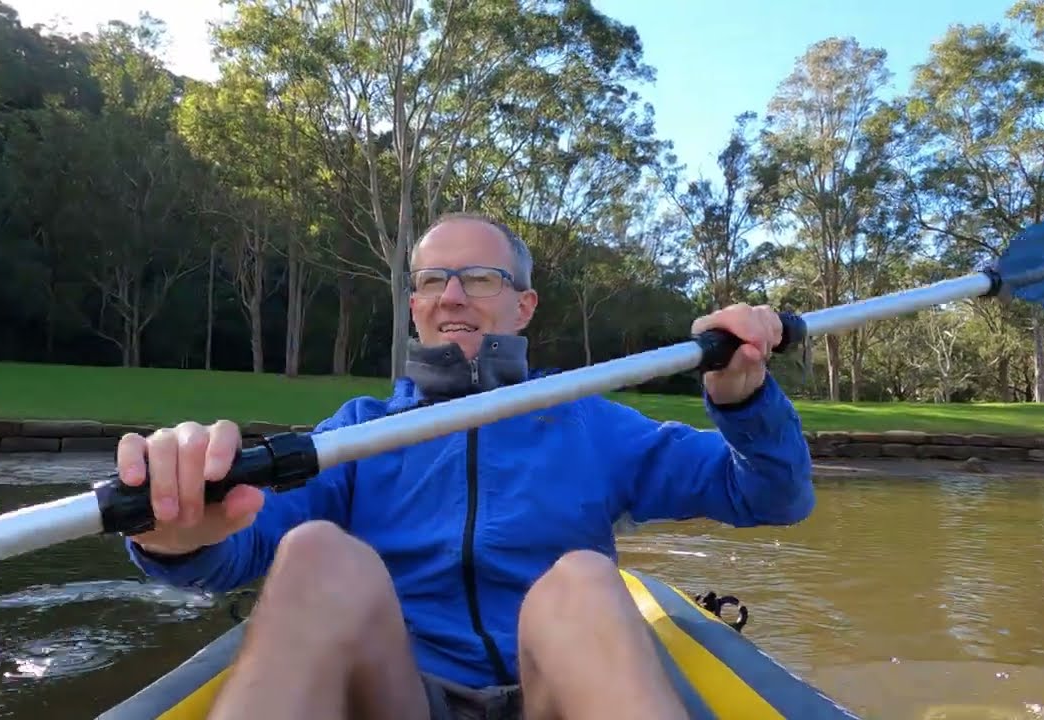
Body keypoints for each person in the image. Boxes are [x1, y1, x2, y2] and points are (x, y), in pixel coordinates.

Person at [116, 212, 815, 720]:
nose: (452, 296)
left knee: (581, 579)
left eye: (479, 278)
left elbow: (772, 494)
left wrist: (744, 396)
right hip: (400, 696)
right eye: (432, 281)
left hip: (554, 693)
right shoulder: (357, 434)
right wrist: (176, 531)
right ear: (416, 305)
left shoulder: (595, 426)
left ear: (524, 305)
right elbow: (237, 552)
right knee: (314, 553)